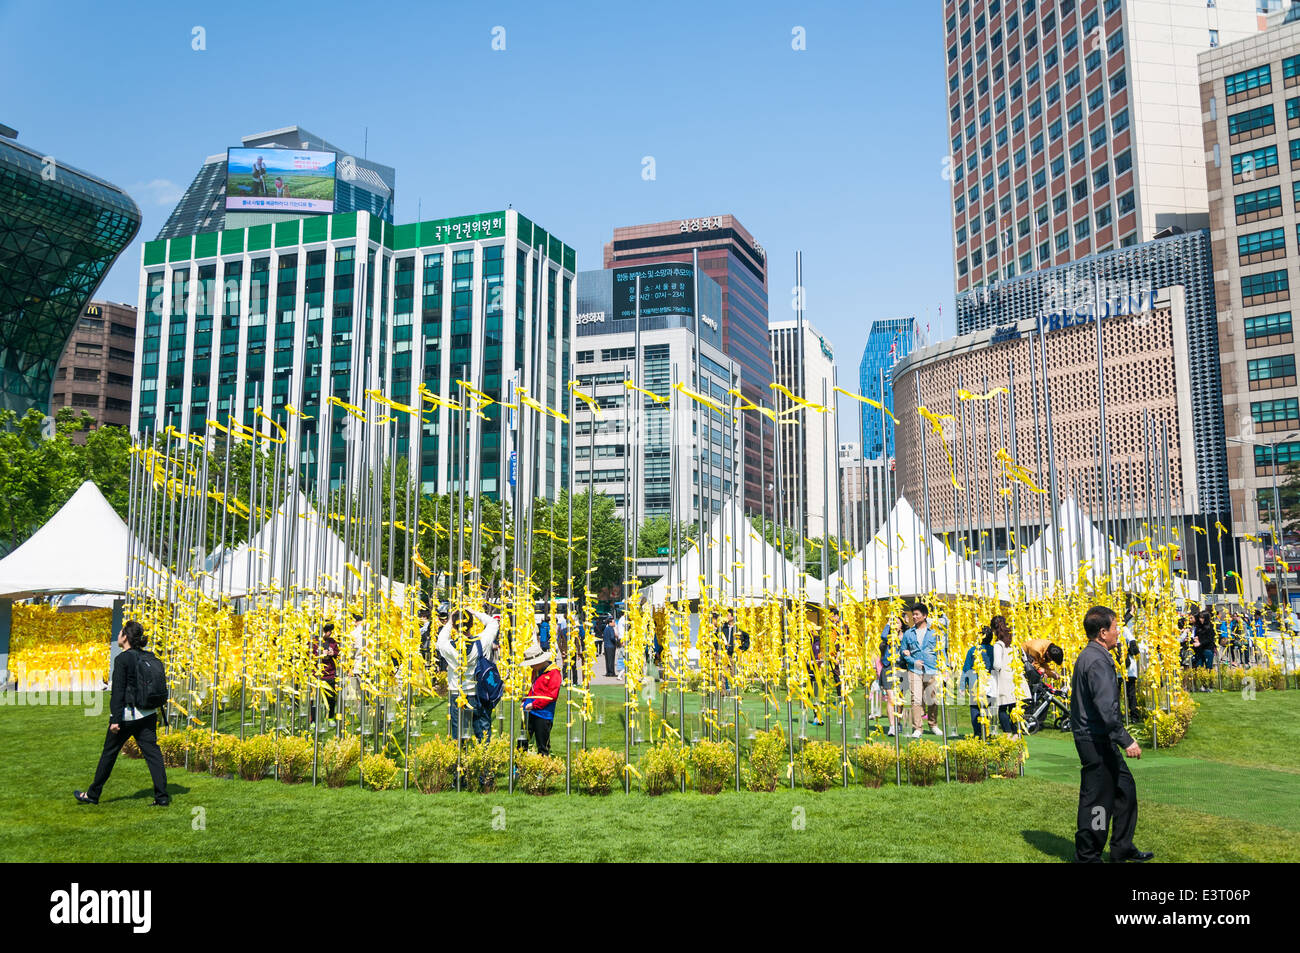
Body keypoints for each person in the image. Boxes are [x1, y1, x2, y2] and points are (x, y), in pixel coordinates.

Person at [1071, 605, 1151, 864]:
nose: (1119, 633)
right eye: (1116, 628)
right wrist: (1126, 740)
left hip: (1096, 736)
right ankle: (1088, 855)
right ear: (1103, 632)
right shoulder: (1096, 661)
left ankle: (1122, 848)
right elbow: (1106, 708)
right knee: (1097, 800)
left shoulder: (1093, 655)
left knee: (1125, 789)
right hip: (1094, 739)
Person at [75, 620, 170, 807]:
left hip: (128, 716)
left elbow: (118, 692)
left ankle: (93, 795)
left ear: (125, 637)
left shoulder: (122, 659)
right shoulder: (147, 656)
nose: (118, 636)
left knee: (109, 753)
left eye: (120, 633)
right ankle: (162, 797)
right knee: (153, 755)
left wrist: (115, 719)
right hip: (149, 713)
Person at [436, 607, 499, 741]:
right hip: (479, 694)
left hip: (457, 695)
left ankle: (460, 759)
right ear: (471, 624)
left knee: (458, 735)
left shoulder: (447, 647)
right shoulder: (482, 641)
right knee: (483, 733)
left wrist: (450, 622)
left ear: (455, 626)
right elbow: (493, 623)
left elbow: (440, 639)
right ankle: (484, 759)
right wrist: (474, 612)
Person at [900, 602, 943, 738]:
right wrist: (913, 660)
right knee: (916, 699)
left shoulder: (934, 633)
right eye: (913, 614)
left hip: (931, 669)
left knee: (933, 699)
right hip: (914, 670)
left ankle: (933, 724)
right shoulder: (908, 634)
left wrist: (944, 668)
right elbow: (903, 651)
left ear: (924, 616)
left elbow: (942, 652)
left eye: (917, 614)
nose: (914, 617)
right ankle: (917, 727)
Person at [521, 643, 562, 755]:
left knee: (542, 745)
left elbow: (552, 696)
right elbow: (533, 689)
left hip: (544, 714)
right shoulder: (536, 670)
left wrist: (534, 704)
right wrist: (526, 700)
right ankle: (519, 768)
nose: (530, 667)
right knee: (522, 742)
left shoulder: (554, 672)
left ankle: (543, 770)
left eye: (532, 664)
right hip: (530, 711)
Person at [989, 615, 1021, 735]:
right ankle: (1016, 733)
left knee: (1002, 707)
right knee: (1013, 706)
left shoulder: (998, 645)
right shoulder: (1012, 641)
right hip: (1014, 677)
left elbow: (997, 665)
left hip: (1003, 678)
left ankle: (1007, 733)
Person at [963, 627, 995, 739]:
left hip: (974, 684)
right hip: (990, 684)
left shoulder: (973, 650)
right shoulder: (993, 650)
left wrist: (963, 685)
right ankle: (986, 731)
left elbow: (966, 669)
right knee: (988, 708)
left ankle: (977, 732)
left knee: (974, 708)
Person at [309, 622, 340, 726]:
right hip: (317, 675)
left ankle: (330, 717)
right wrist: (320, 655)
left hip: (330, 674)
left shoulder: (332, 642)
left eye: (330, 631)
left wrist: (333, 653)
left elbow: (337, 653)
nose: (329, 633)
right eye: (327, 631)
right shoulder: (314, 641)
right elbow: (310, 655)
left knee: (331, 697)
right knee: (314, 699)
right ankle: (313, 720)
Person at [601, 613, 620, 678]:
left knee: (607, 660)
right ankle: (612, 672)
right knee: (611, 660)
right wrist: (616, 642)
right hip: (611, 646)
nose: (614, 623)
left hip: (606, 646)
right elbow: (612, 637)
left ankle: (608, 672)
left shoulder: (606, 629)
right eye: (614, 622)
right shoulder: (611, 628)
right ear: (610, 623)